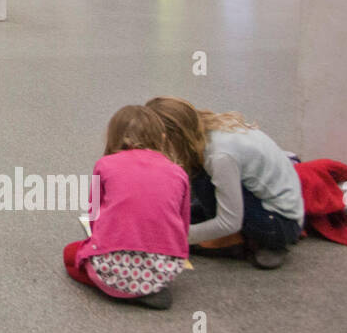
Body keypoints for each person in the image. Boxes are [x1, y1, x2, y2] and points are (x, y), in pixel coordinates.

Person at [146, 97, 305, 269]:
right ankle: (237, 238)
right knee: (183, 210)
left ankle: (252, 242)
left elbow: (229, 222)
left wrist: (176, 238)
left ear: (173, 136)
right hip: (271, 206)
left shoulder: (219, 156)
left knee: (200, 180)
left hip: (280, 225)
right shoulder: (208, 129)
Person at [62, 105, 190, 310]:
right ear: (162, 137)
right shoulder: (179, 173)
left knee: (70, 254)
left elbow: (94, 214)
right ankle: (151, 289)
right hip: (164, 268)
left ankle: (120, 290)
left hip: (112, 266)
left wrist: (93, 241)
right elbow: (183, 223)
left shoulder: (105, 164)